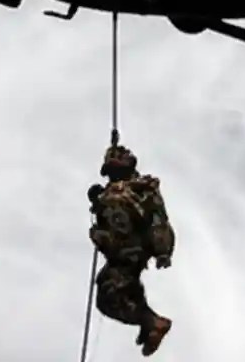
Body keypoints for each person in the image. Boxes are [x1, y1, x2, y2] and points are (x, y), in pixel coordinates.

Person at [88, 144, 175, 356]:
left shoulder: (136, 190)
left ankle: (152, 322)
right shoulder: (122, 191)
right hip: (124, 253)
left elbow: (158, 219)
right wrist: (97, 204)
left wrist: (162, 250)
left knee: (109, 294)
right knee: (125, 290)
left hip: (130, 251)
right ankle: (149, 324)